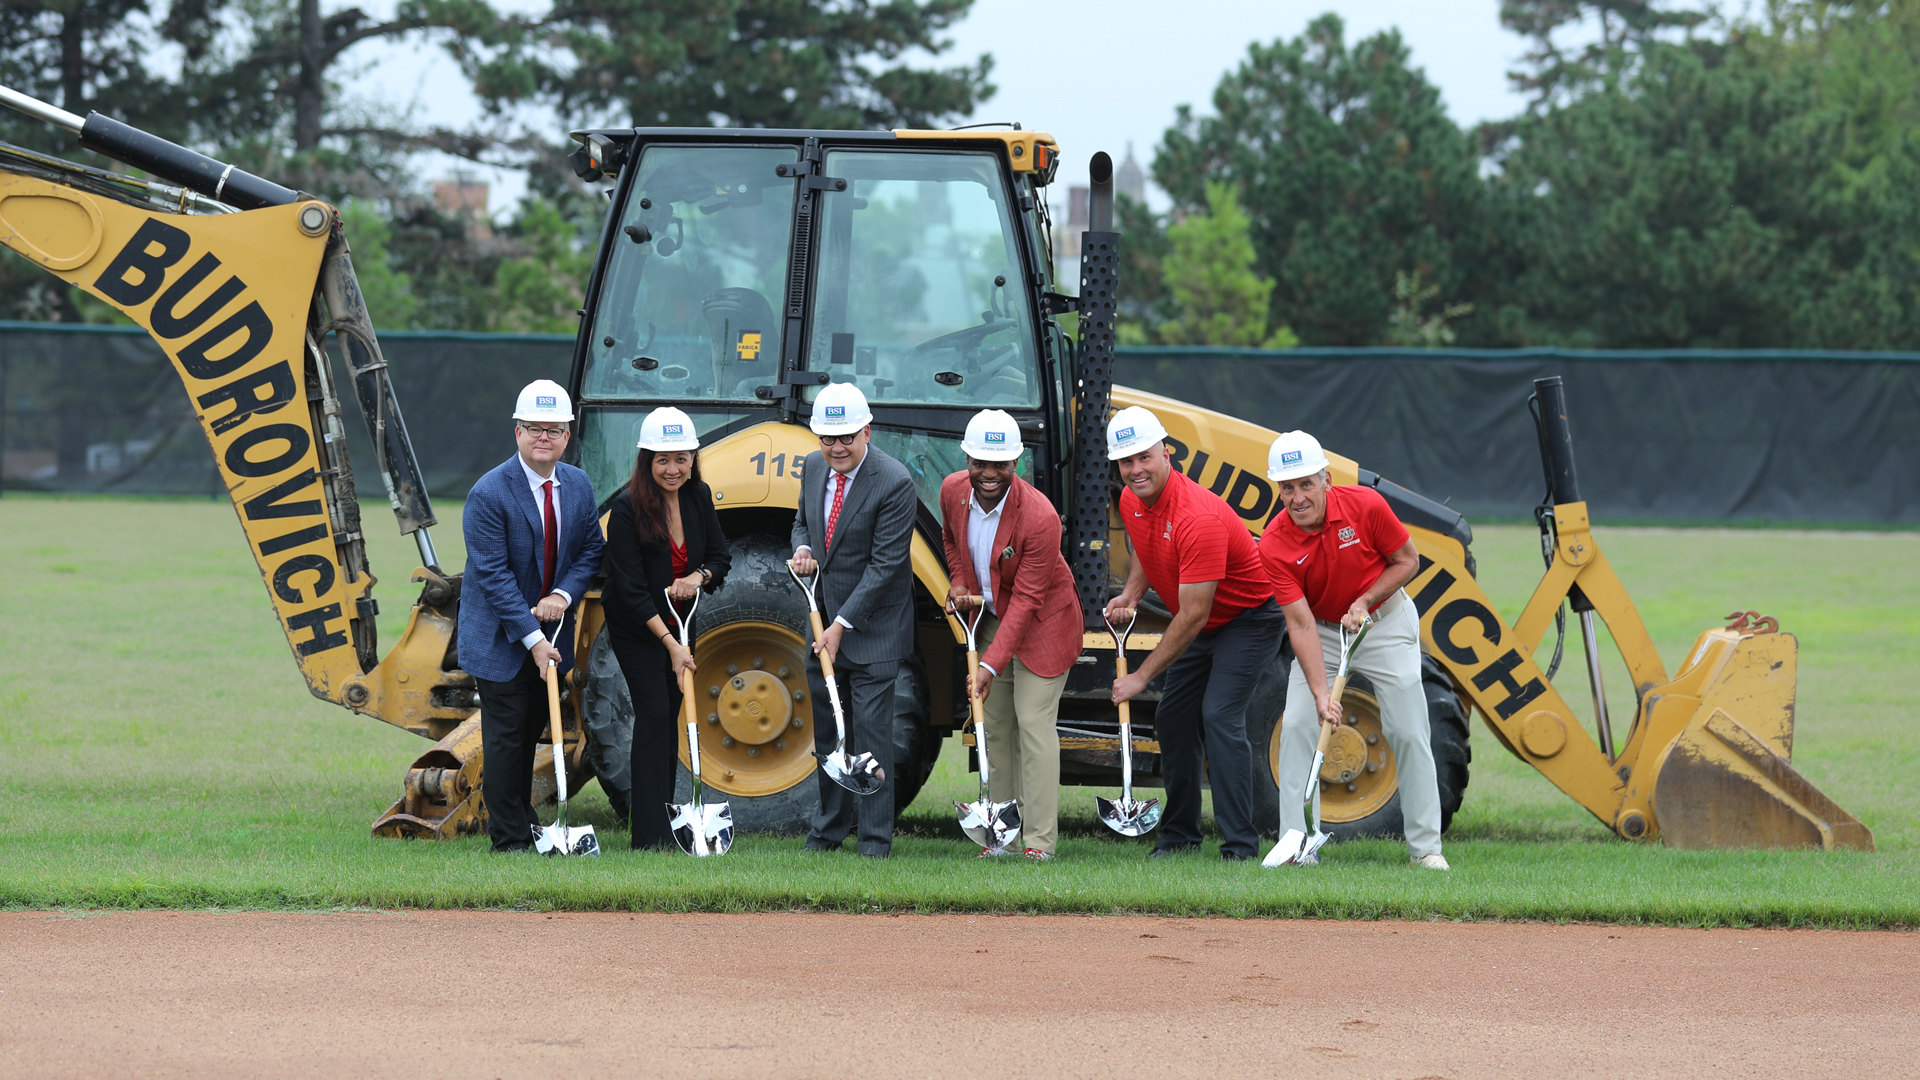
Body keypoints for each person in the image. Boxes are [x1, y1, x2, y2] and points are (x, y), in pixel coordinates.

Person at [1259, 430, 1448, 870]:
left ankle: (1426, 850)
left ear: (1326, 479)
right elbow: (1300, 622)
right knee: (1300, 726)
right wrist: (1323, 694)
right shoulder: (1273, 543)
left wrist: (1364, 601)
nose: (1298, 497)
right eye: (1287, 487)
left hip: (1385, 622)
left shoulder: (1366, 506)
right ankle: (1297, 847)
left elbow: (1408, 561)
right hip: (1322, 633)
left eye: (1306, 483)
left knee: (1408, 729)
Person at [1102, 406, 1283, 861]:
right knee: (1172, 718)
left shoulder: (1196, 517)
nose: (1136, 469)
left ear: (1166, 453)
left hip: (1249, 617)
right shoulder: (1132, 499)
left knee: (1220, 715)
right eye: (1126, 462)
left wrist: (1140, 677)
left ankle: (1240, 844)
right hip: (1206, 620)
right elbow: (1147, 547)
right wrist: (1130, 594)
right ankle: (1180, 835)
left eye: (1144, 457)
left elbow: (1193, 616)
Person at [457, 379, 606, 853]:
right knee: (504, 738)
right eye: (534, 429)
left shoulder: (578, 484)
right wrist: (533, 639)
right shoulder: (489, 493)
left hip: (551, 628)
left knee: (529, 732)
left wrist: (563, 594)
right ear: (517, 432)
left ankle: (522, 818)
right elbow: (493, 576)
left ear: (568, 434)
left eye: (555, 430)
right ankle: (510, 841)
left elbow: (590, 551)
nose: (545, 437)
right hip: (500, 636)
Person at [940, 409, 1080, 861]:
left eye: (1000, 464)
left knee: (1033, 724)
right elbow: (949, 539)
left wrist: (986, 666)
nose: (988, 474)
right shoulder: (952, 491)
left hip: (1045, 622)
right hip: (994, 615)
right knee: (995, 727)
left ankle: (1038, 844)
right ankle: (1000, 838)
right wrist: (959, 581)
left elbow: (1026, 603)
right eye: (980, 462)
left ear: (1016, 463)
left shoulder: (1040, 517)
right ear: (966, 457)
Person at [790, 382, 918, 858]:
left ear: (868, 430)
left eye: (847, 437)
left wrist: (841, 625)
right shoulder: (811, 467)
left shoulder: (894, 481)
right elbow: (804, 521)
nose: (837, 447)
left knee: (870, 736)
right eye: (828, 438)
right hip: (822, 625)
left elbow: (886, 567)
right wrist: (803, 548)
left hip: (873, 631)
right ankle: (828, 831)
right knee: (828, 732)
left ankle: (874, 841)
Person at [602, 406, 732, 850]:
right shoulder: (626, 509)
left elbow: (720, 558)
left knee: (672, 713)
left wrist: (698, 578)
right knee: (653, 712)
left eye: (681, 458)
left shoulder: (699, 497)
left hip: (681, 621)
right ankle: (647, 835)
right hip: (638, 625)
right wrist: (672, 647)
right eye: (662, 459)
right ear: (646, 460)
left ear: (693, 457)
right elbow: (632, 591)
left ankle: (666, 818)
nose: (672, 469)